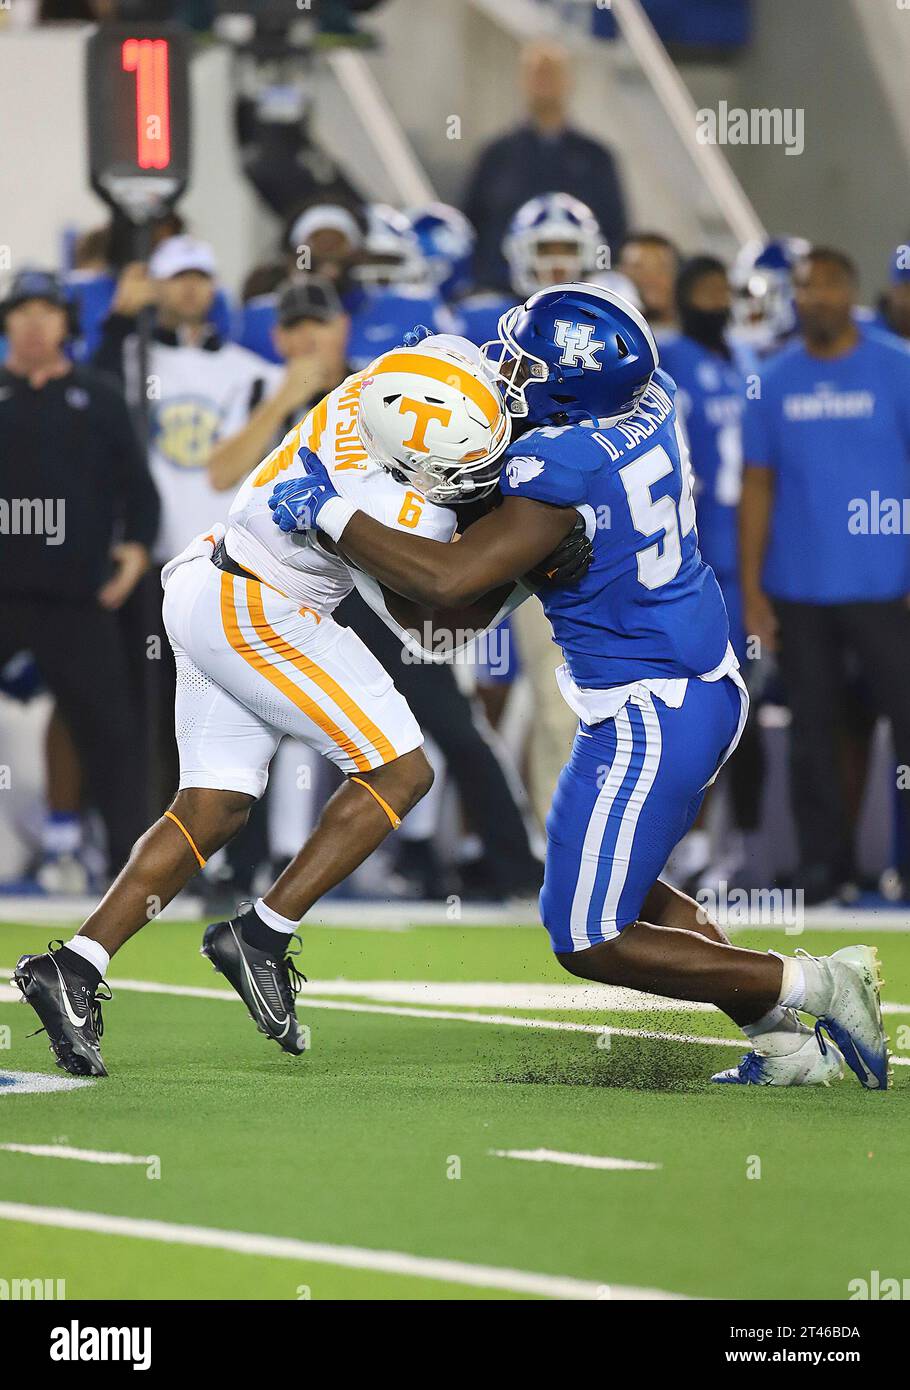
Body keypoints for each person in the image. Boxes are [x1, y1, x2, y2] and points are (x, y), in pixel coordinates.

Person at [271, 284, 890, 1092]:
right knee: (617, 885)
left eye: (525, 362)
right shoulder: (652, 396)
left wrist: (332, 514)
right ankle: (784, 1046)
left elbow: (451, 585)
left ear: (570, 388)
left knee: (587, 935)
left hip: (655, 707)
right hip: (681, 681)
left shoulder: (558, 466)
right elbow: (446, 621)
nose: (505, 367)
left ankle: (814, 985)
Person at [12, 337, 586, 1076]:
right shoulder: (389, 504)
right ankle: (262, 933)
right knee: (402, 771)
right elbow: (433, 620)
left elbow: (440, 383)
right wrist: (521, 569)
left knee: (213, 808)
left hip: (210, 576)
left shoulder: (377, 388)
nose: (475, 476)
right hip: (260, 608)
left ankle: (75, 969)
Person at [740, 246, 910, 905]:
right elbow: (757, 486)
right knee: (813, 733)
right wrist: (753, 589)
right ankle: (823, 869)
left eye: (827, 286)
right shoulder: (772, 378)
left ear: (851, 292)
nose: (814, 297)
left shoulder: (896, 368)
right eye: (804, 287)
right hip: (799, 588)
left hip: (887, 587)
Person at [94, 234, 285, 807]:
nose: (191, 286)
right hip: (150, 559)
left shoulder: (249, 371)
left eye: (201, 275)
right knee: (141, 710)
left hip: (220, 565)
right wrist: (119, 319)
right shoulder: (130, 359)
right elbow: (98, 394)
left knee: (219, 713)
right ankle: (140, 833)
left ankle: (215, 852)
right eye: (178, 276)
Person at [0, 270, 158, 880]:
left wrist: (137, 553)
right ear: (8, 323)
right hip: (3, 593)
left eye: (46, 311)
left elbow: (139, 495)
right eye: (22, 311)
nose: (35, 323)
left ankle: (134, 873)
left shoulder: (98, 397)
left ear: (66, 322)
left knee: (114, 732)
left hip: (77, 597)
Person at [660, 256, 764, 890]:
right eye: (704, 290)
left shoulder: (744, 359)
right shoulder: (671, 361)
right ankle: (683, 842)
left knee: (732, 708)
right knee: (688, 705)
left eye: (722, 289)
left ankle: (723, 847)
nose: (716, 300)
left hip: (741, 557)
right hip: (692, 558)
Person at [463, 40, 627, 292]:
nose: (544, 81)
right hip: (503, 296)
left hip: (578, 301)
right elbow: (472, 228)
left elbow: (615, 232)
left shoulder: (596, 158)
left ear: (569, 80)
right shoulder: (496, 156)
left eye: (552, 72)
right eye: (537, 73)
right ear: (522, 81)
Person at [618, 232, 680, 338]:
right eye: (637, 268)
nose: (650, 278)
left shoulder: (697, 339)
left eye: (661, 269)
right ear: (621, 274)